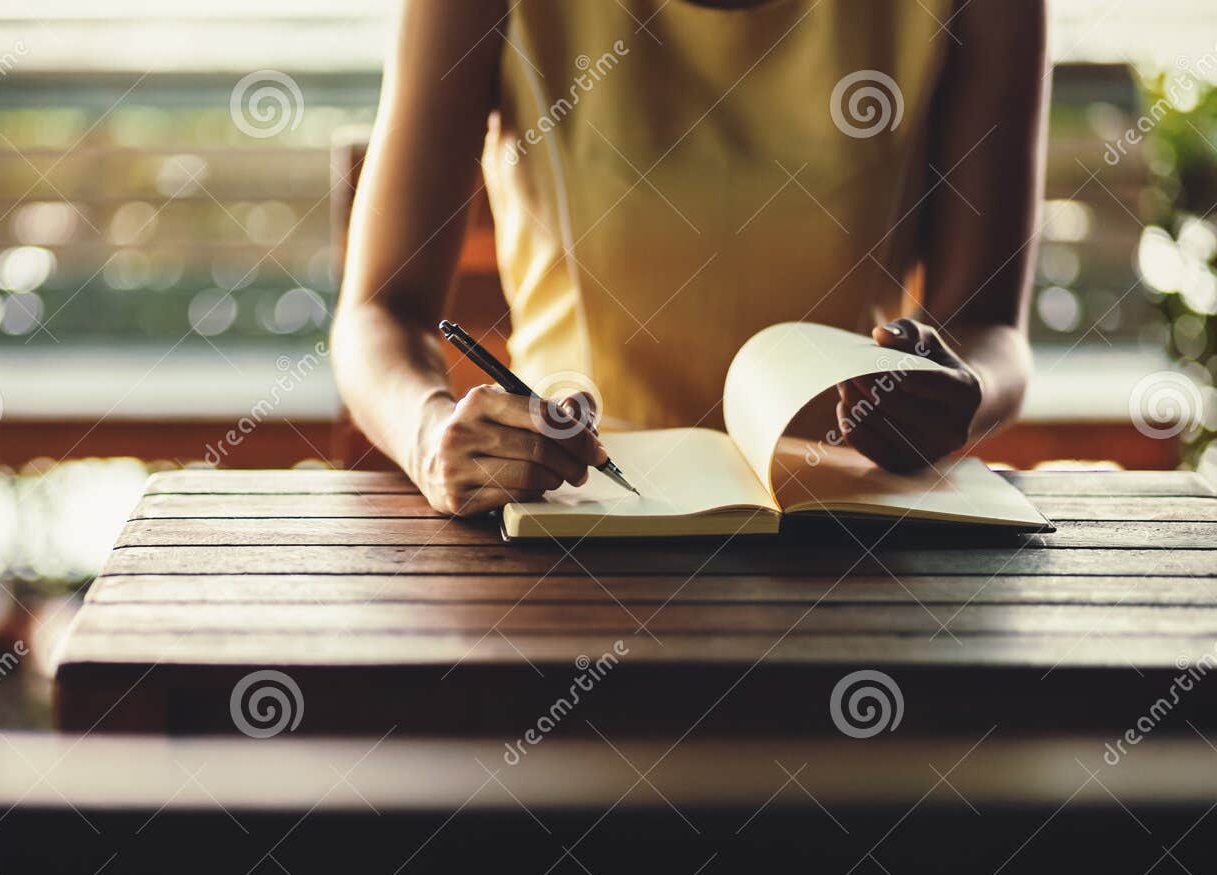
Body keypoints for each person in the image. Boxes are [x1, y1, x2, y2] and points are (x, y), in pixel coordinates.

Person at [331, 0, 1048, 515]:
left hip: (848, 517)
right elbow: (378, 310)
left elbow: (993, 331)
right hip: (571, 509)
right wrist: (429, 433)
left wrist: (964, 394)